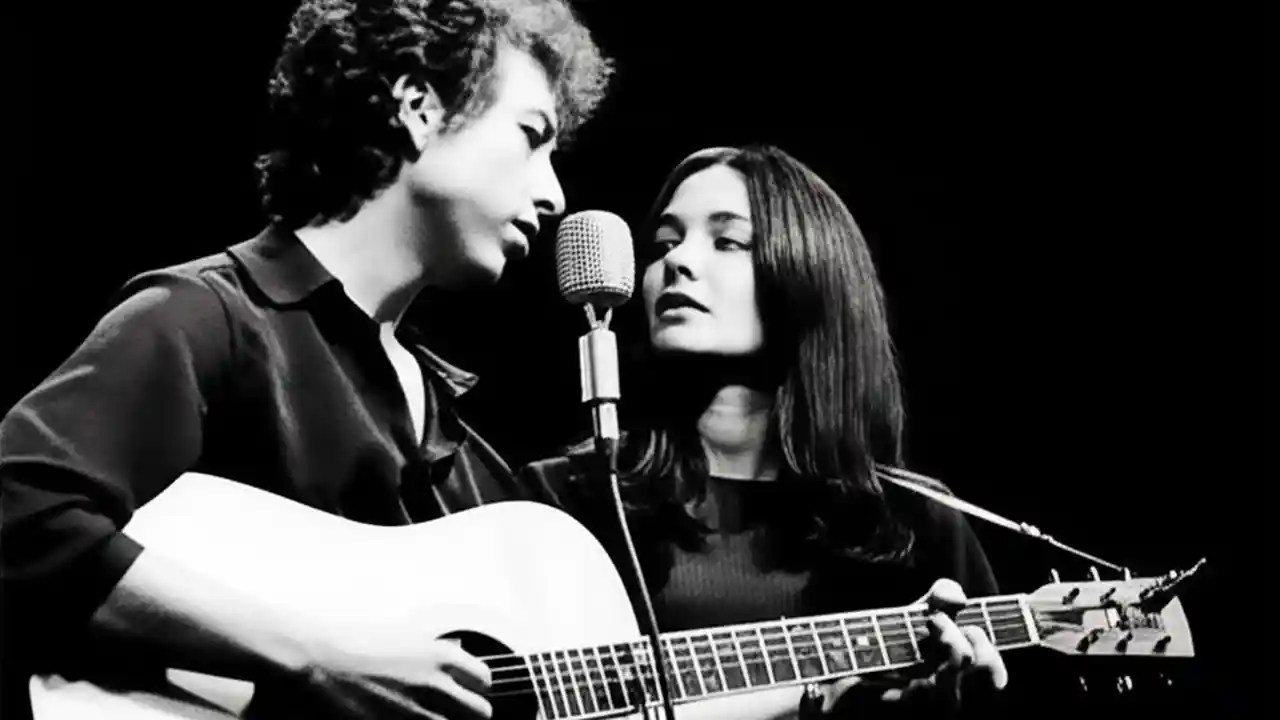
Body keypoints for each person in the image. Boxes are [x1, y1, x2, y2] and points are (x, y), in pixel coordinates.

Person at [0, 1, 612, 719]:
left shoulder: (465, 449)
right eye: (531, 136)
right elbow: (20, 512)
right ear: (417, 107)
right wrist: (313, 656)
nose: (555, 193)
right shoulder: (208, 317)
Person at [518, 145, 1009, 718]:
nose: (677, 262)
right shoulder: (563, 500)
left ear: (810, 275)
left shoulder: (914, 523)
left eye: (727, 241)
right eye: (664, 244)